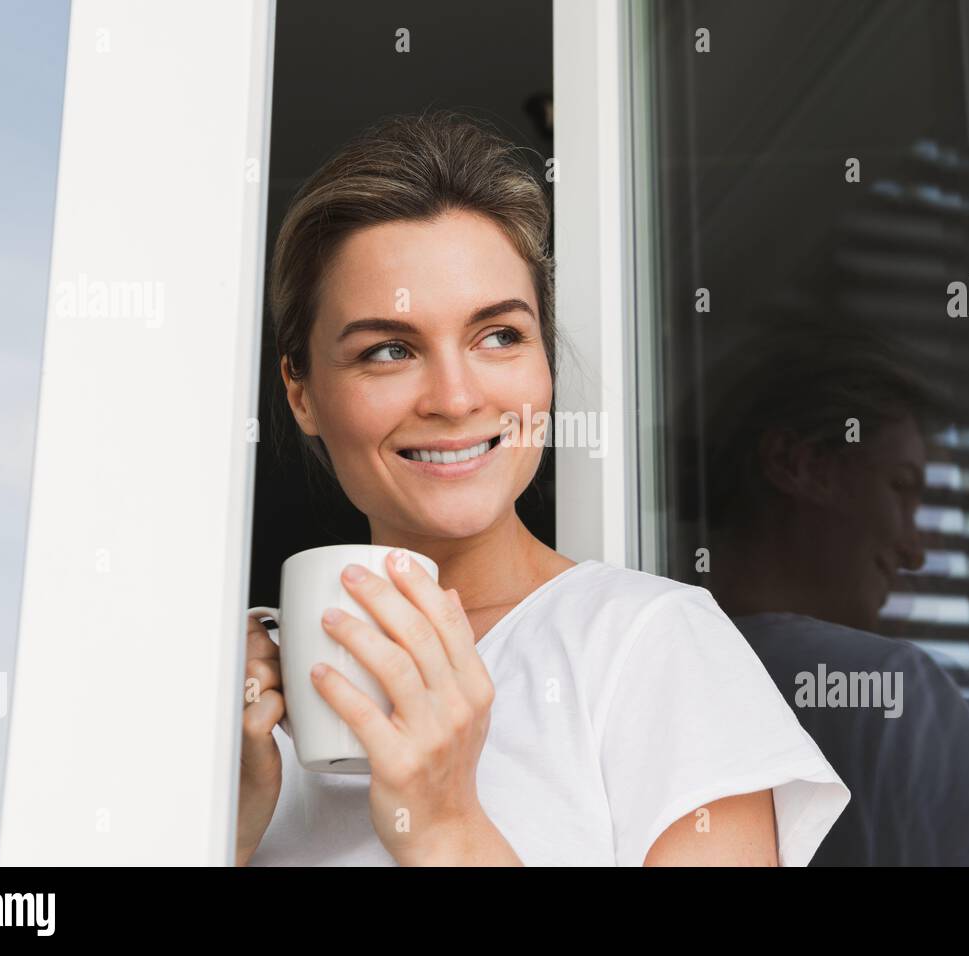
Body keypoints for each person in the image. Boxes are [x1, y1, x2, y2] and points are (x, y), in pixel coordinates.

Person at [235, 110, 850, 867]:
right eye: (390, 349)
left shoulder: (650, 647)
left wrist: (447, 825)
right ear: (301, 392)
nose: (456, 399)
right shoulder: (243, 704)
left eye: (498, 336)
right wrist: (216, 828)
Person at [705, 319, 969, 865]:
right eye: (900, 487)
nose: (915, 551)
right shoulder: (894, 691)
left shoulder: (653, 675)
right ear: (797, 465)